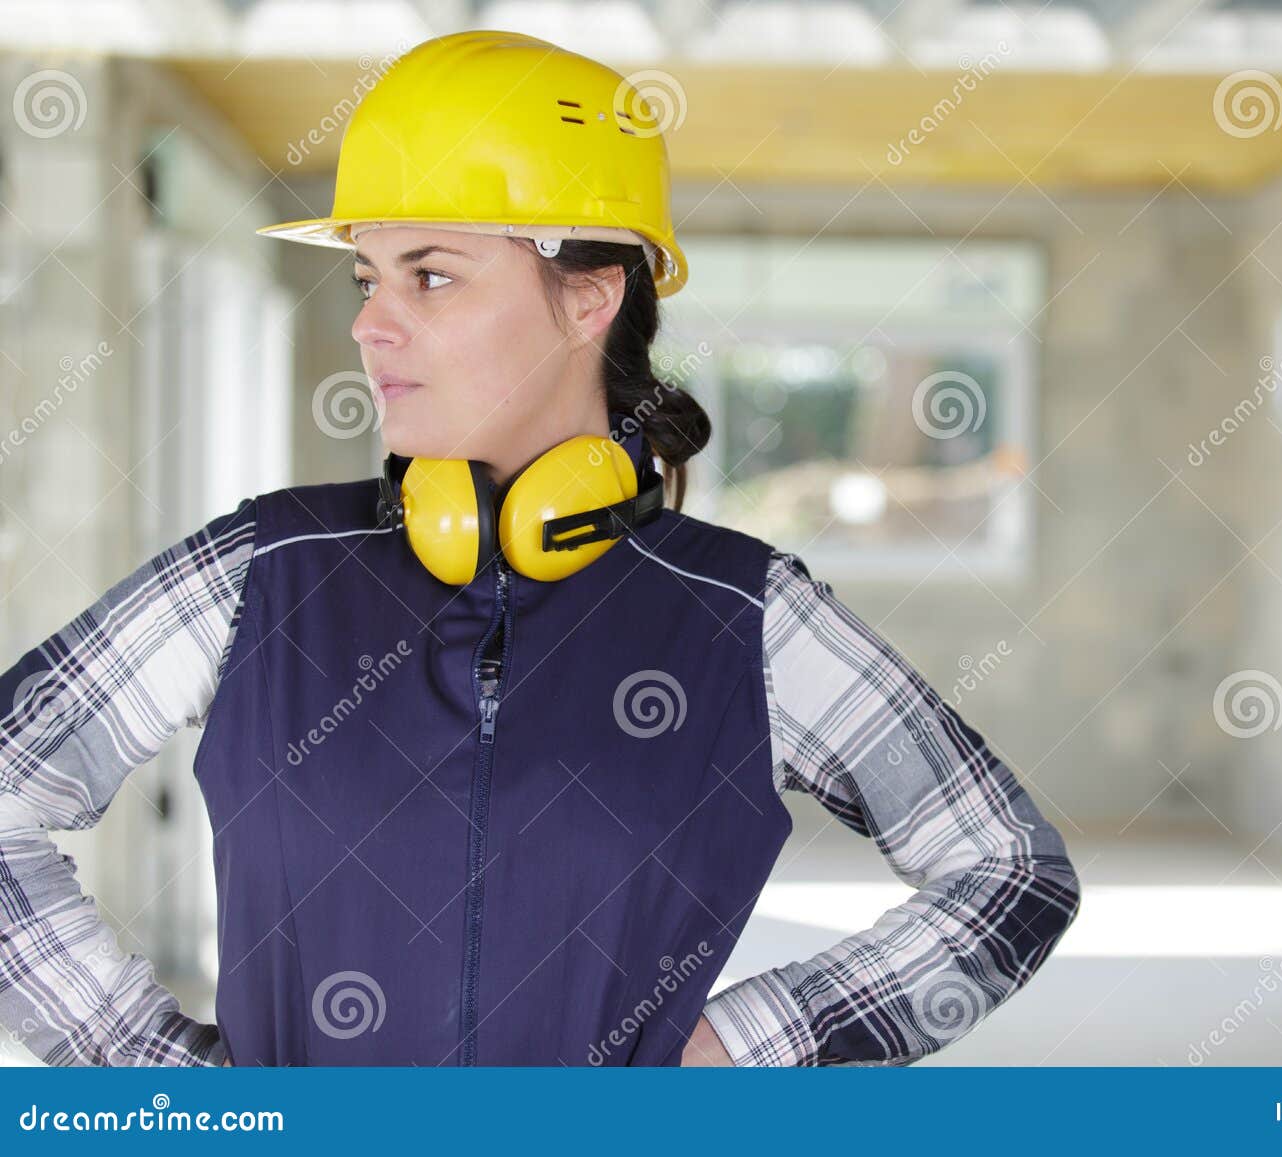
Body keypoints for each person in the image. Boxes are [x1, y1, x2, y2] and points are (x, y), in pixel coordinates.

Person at [0, 30, 1080, 1068]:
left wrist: (747, 1048)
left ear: (590, 298)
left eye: (430, 275)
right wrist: (158, 1077)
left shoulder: (738, 616)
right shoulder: (264, 571)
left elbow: (1009, 871)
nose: (371, 325)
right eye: (367, 278)